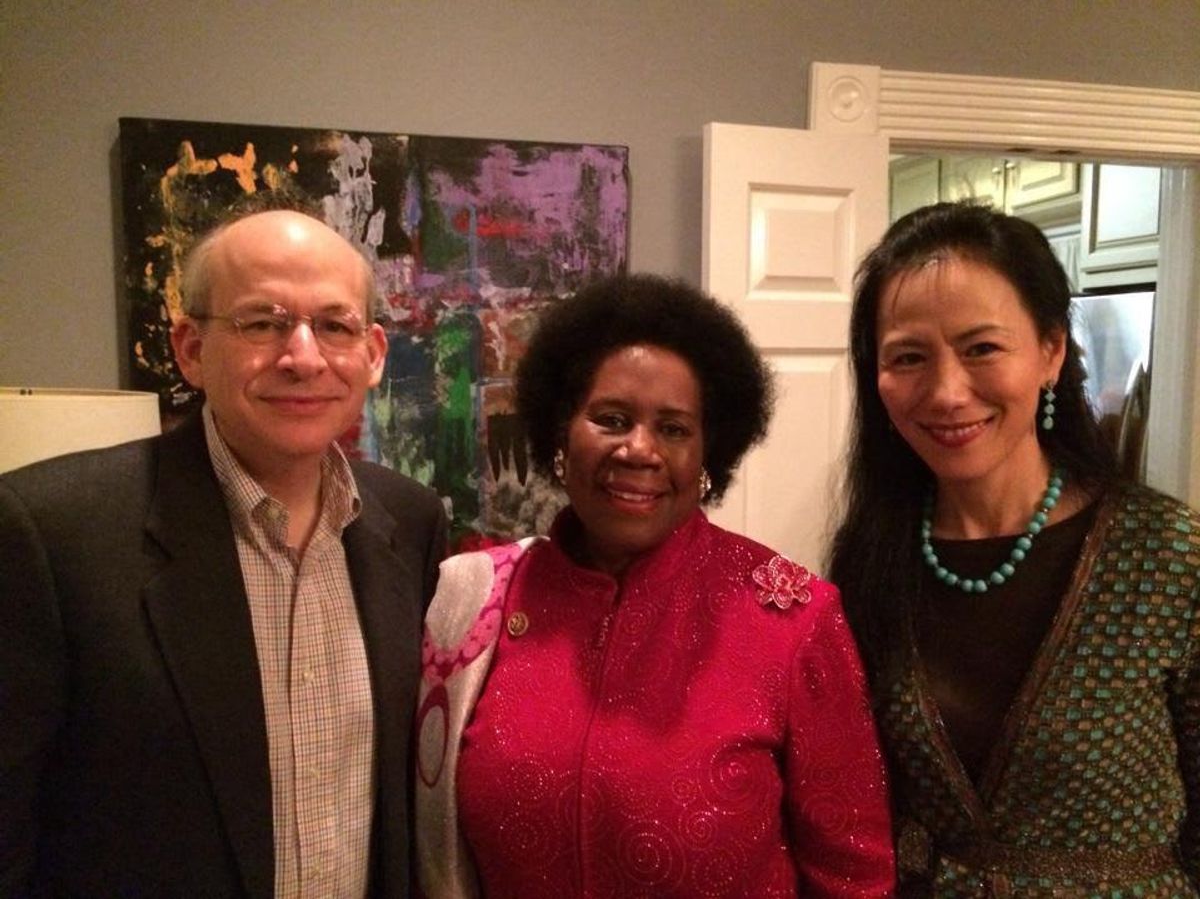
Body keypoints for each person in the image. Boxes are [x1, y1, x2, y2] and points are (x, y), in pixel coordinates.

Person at [0, 206, 448, 897]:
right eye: (262, 322)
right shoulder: (50, 534)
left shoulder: (410, 525)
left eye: (333, 325)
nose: (303, 357)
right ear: (189, 348)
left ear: (374, 354)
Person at [416, 273, 895, 898]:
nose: (638, 450)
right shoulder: (476, 600)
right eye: (611, 419)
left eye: (673, 429)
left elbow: (855, 875)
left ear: (708, 456)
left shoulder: (793, 618)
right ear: (561, 434)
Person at [828, 200, 1200, 896]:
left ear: (1051, 352)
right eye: (908, 356)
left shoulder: (1168, 556)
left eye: (982, 348)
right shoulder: (872, 560)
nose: (946, 391)